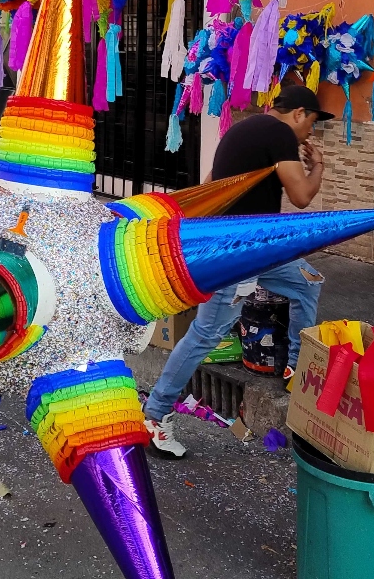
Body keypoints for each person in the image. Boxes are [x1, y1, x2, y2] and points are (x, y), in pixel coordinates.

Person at [143, 85, 333, 458]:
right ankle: (155, 413)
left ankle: (294, 367)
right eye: (311, 122)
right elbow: (301, 197)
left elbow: (209, 183)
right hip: (238, 252)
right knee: (206, 332)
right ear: (297, 113)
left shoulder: (243, 130)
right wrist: (319, 166)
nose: (310, 133)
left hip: (257, 248)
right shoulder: (279, 134)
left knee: (308, 282)